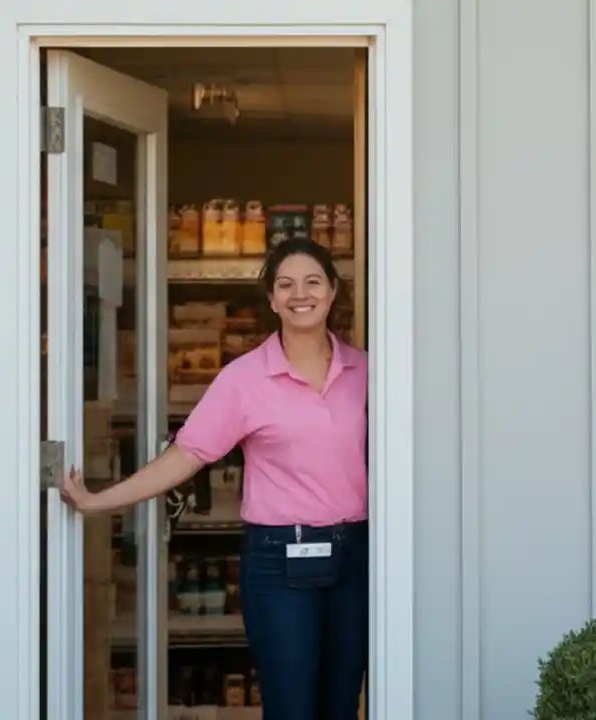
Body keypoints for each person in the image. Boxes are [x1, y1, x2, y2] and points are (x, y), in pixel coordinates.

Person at [60, 238, 368, 720]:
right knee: (292, 708)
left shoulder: (367, 372)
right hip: (280, 561)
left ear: (332, 292)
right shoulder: (243, 380)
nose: (299, 294)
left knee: (342, 706)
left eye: (312, 282)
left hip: (356, 556)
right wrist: (99, 500)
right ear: (271, 299)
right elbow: (186, 455)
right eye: (285, 284)